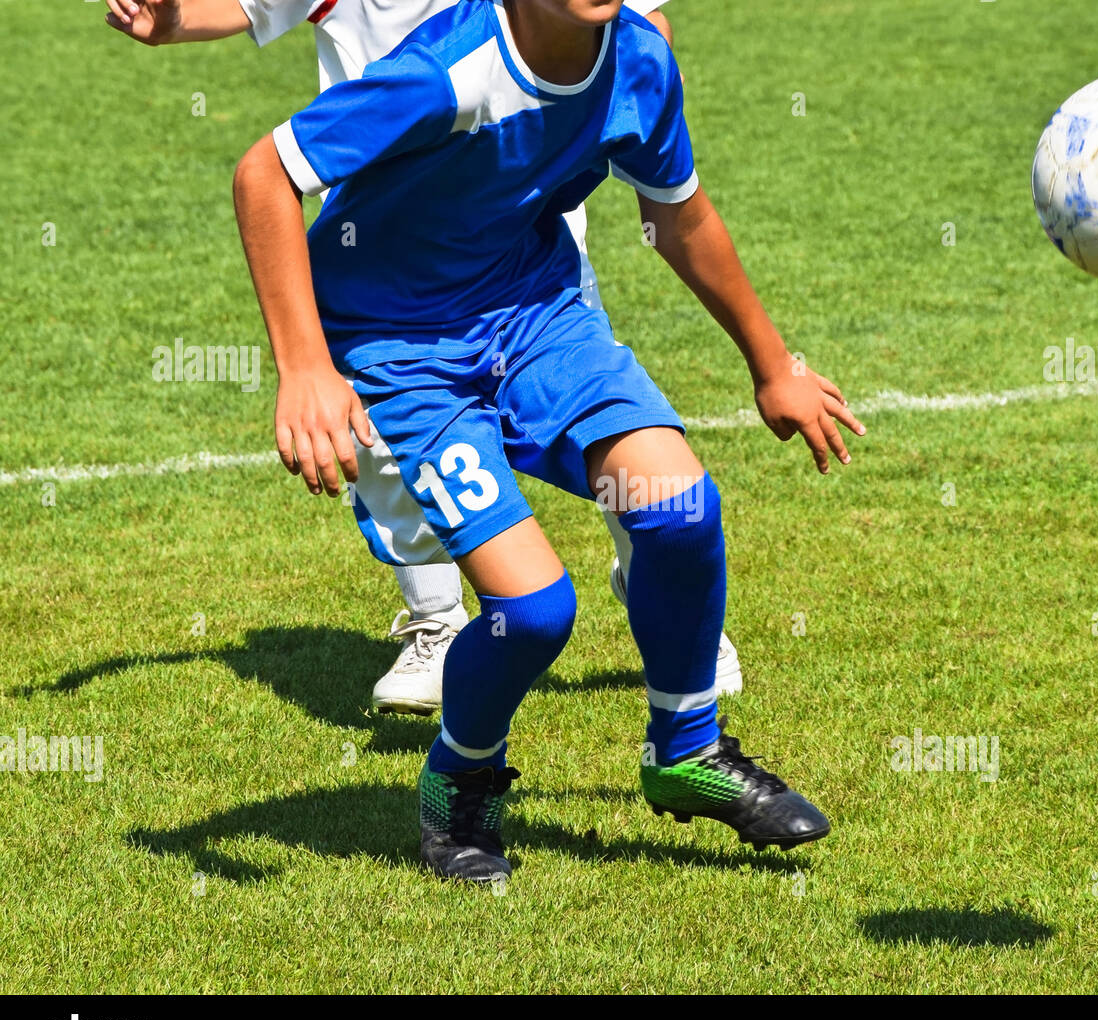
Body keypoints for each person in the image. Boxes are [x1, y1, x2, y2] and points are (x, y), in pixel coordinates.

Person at [229, 0, 863, 883]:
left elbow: (676, 213)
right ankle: (460, 784)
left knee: (679, 510)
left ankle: (686, 752)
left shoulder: (637, 59)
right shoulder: (445, 68)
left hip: (537, 320)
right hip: (401, 347)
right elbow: (266, 173)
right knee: (534, 613)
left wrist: (772, 364)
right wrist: (303, 367)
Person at [104, 0, 744, 715]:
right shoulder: (436, 71)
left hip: (528, 229)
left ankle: (670, 601)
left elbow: (640, 27)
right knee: (390, 457)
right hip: (390, 247)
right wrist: (174, 20)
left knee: (615, 435)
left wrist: (623, 94)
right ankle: (438, 624)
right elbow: (253, 11)